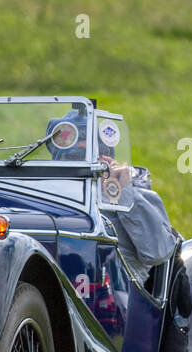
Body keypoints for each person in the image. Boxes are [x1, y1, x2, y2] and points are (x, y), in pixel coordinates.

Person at [46, 108, 180, 285]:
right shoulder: (45, 193)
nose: (82, 166)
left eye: (92, 156)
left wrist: (122, 190)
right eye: (74, 156)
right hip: (53, 283)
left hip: (119, 293)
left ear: (106, 158)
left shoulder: (133, 189)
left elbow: (158, 252)